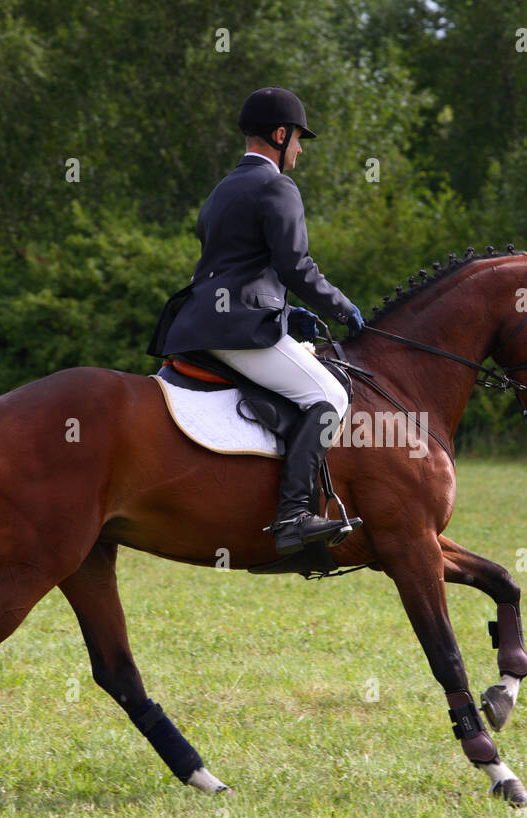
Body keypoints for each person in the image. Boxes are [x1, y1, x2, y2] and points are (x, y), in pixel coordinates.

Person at [152, 87, 363, 556]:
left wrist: (289, 314)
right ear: (281, 134)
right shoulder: (277, 186)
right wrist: (341, 307)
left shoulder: (222, 189)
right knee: (329, 393)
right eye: (299, 140)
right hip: (240, 332)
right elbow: (295, 266)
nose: (301, 151)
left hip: (196, 326)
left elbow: (237, 269)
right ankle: (292, 515)